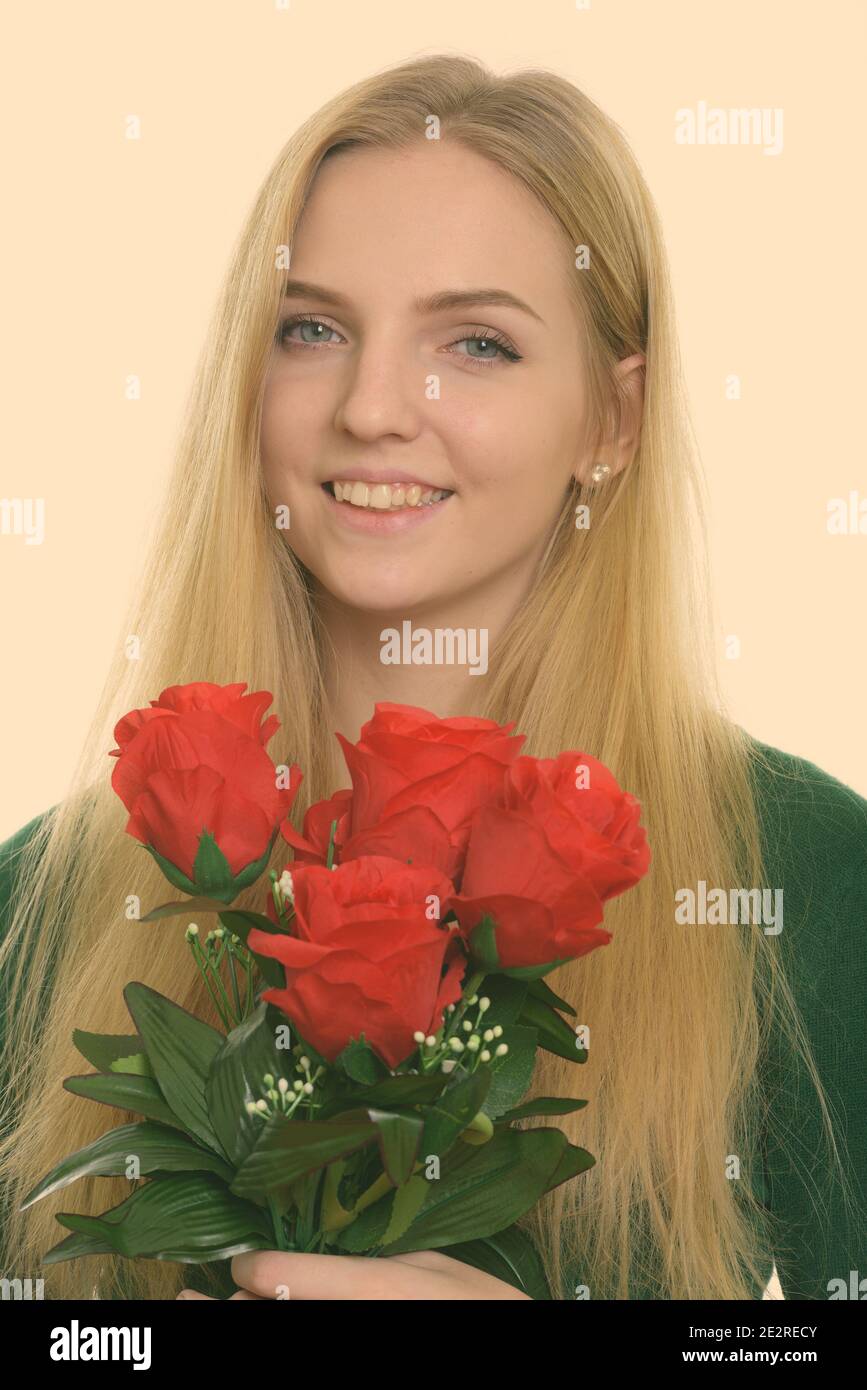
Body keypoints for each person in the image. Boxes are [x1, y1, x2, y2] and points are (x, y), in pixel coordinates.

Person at [1, 53, 864, 1302]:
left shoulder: (815, 891)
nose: (372, 407)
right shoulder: (40, 913)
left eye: (475, 342)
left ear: (612, 423)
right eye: (312, 329)